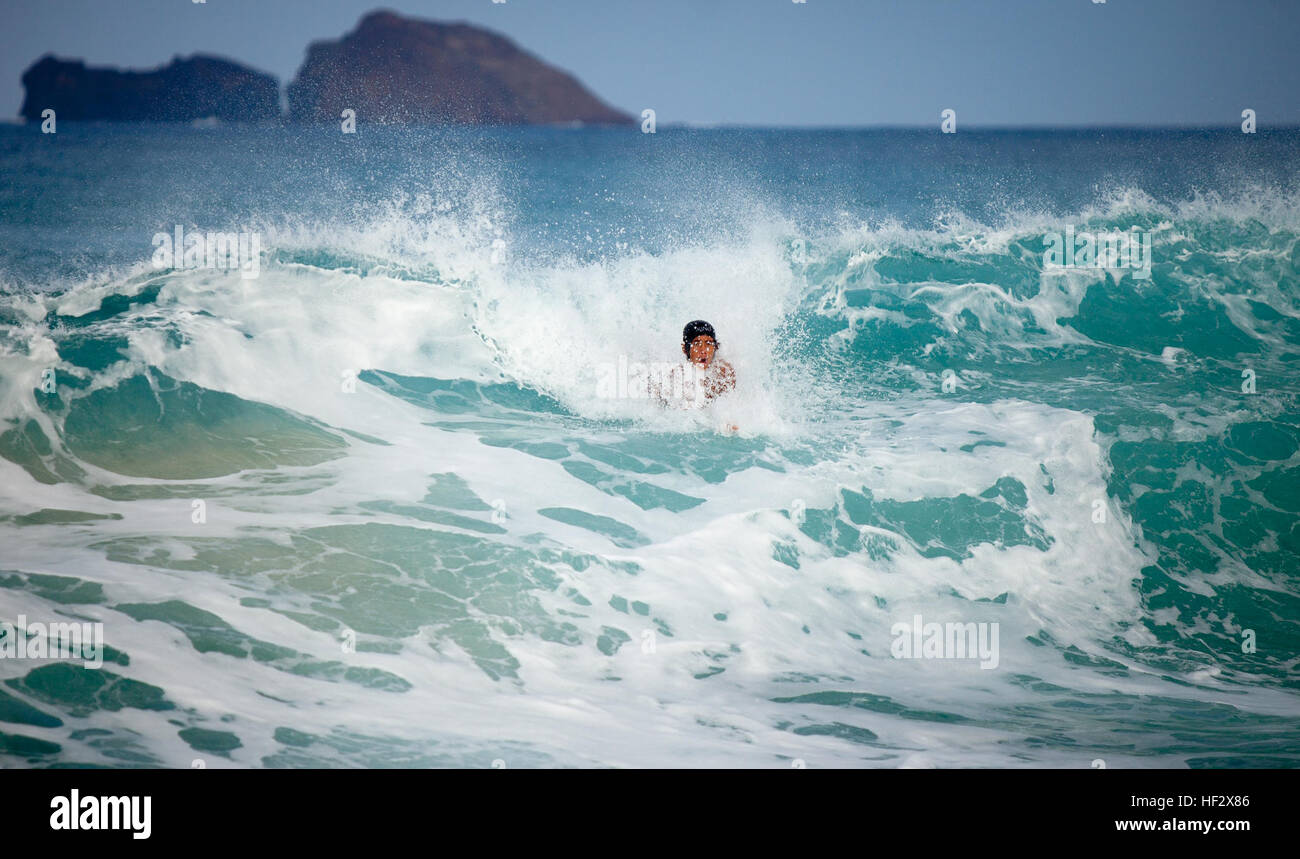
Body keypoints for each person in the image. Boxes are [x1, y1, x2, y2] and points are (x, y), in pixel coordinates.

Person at [680, 320, 736, 401]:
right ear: (684, 349)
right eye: (696, 344)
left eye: (708, 343)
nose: (703, 350)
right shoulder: (676, 378)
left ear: (715, 347)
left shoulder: (724, 373)